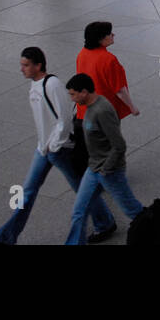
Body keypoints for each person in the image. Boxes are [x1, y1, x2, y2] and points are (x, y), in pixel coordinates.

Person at [0, 47, 114, 246]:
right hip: (44, 149)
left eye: (26, 65)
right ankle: (6, 237)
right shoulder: (35, 85)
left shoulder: (53, 84)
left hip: (59, 149)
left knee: (81, 190)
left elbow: (64, 118)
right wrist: (45, 146)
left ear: (38, 65)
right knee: (29, 192)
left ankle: (105, 222)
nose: (21, 69)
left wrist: (54, 145)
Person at [64, 74, 145, 244]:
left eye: (73, 94)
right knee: (79, 211)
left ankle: (157, 232)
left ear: (84, 92)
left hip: (110, 171)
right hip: (93, 169)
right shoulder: (90, 107)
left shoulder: (102, 111)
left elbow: (119, 145)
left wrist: (106, 169)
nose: (71, 99)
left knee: (132, 209)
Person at [75, 21, 139, 124]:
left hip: (85, 111)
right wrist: (132, 107)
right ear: (101, 39)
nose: (113, 35)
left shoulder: (82, 53)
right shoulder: (108, 59)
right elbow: (120, 90)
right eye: (109, 33)